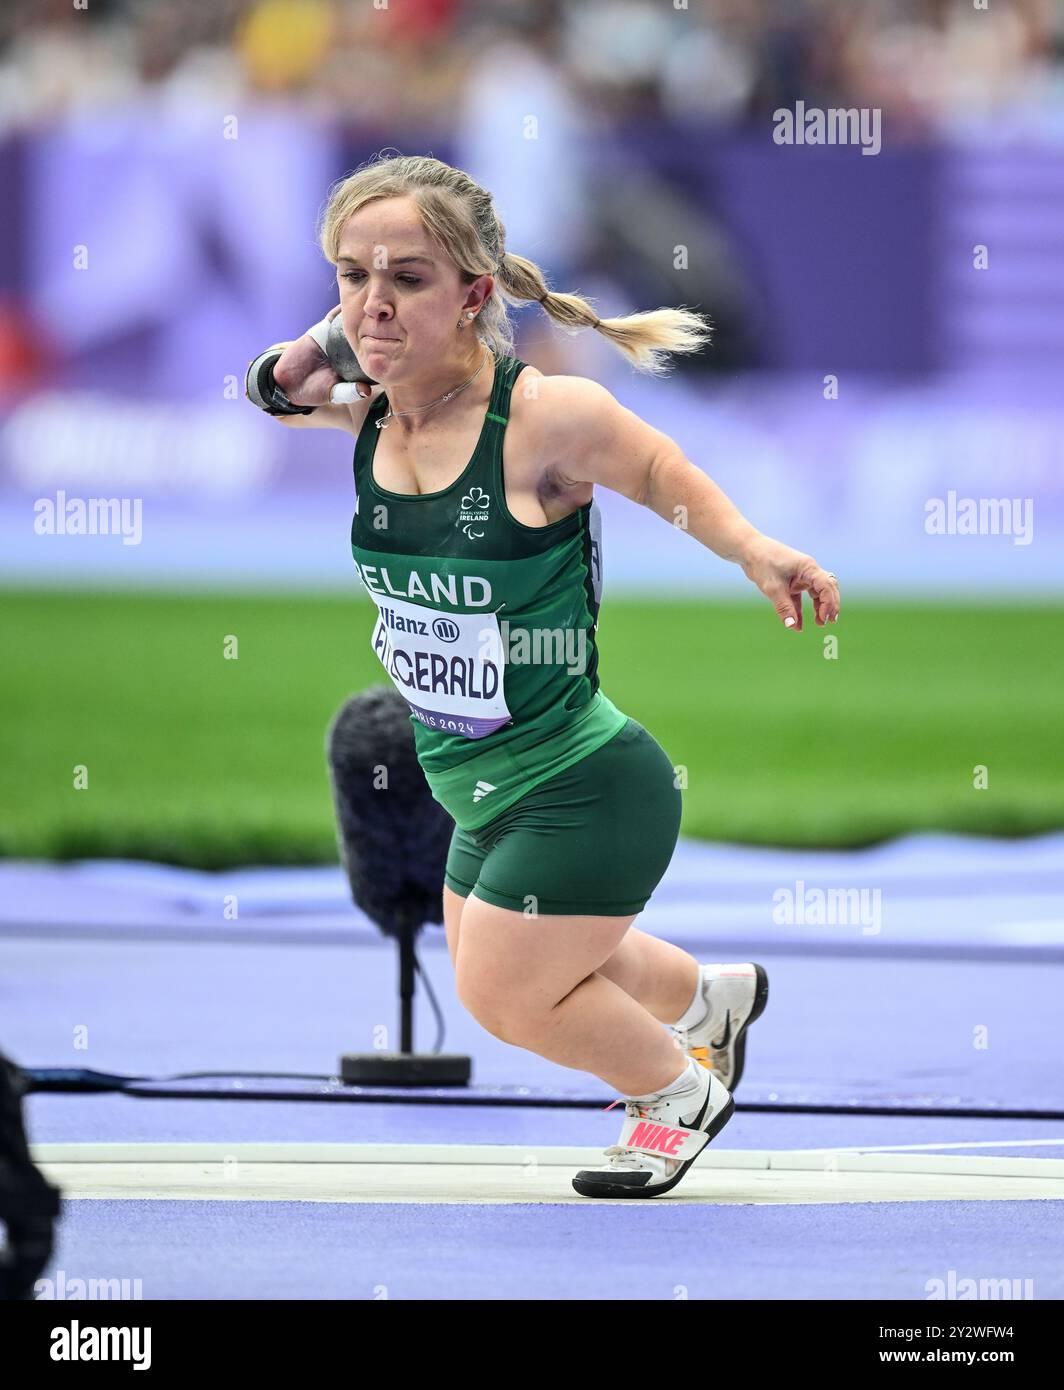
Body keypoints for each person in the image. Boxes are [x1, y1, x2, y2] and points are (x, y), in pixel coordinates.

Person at [246, 153, 840, 1199]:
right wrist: (339, 332)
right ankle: (709, 1002)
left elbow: (658, 469)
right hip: (479, 788)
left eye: (409, 278)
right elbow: (276, 389)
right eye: (350, 276)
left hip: (584, 784)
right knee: (567, 957)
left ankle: (675, 1092)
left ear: (476, 292)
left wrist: (754, 550)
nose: (373, 303)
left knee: (505, 993)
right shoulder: (368, 413)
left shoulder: (540, 419)